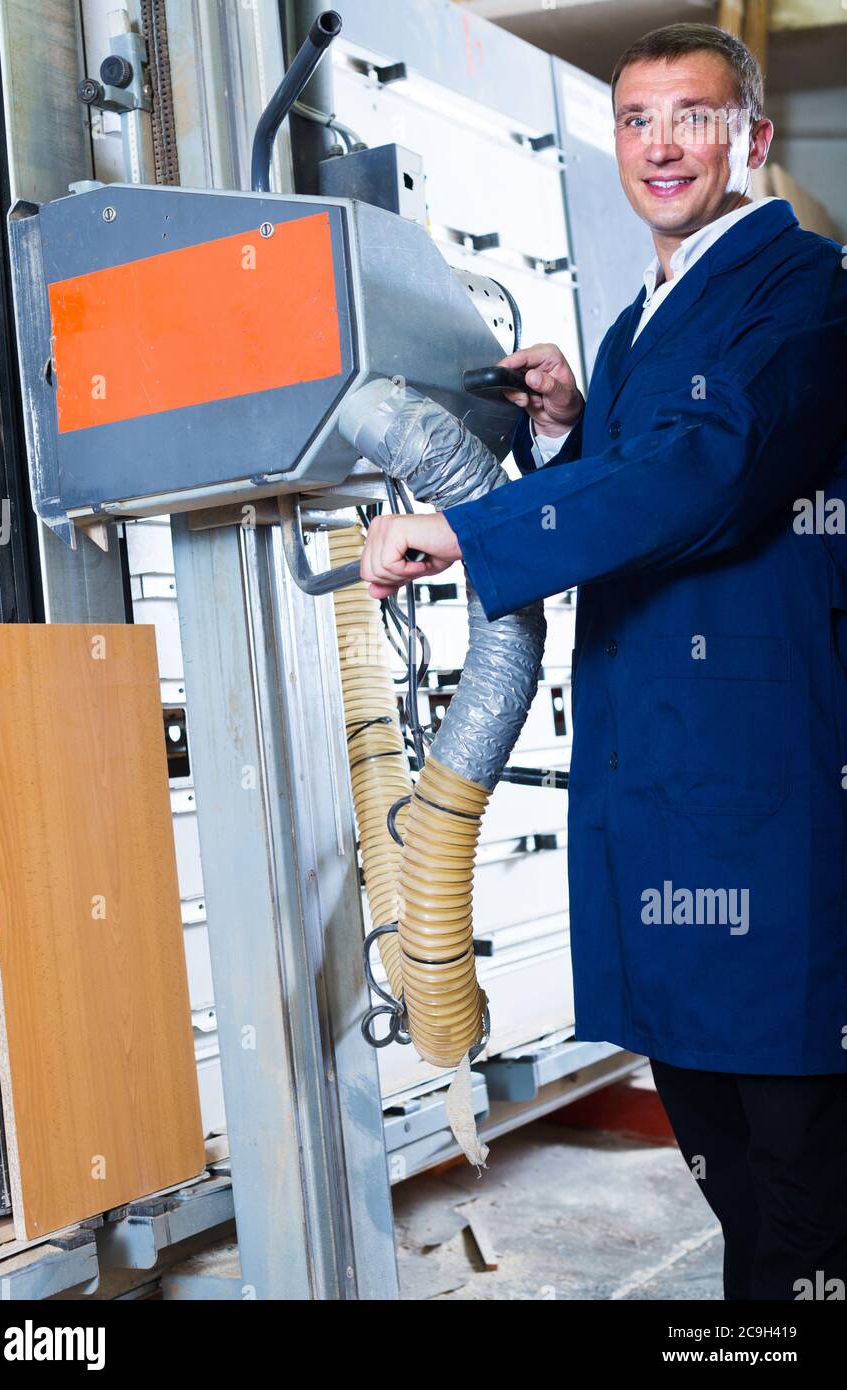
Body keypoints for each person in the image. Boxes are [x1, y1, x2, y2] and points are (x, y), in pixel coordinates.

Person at [359, 23, 847, 1301]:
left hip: (762, 792)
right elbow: (634, 487)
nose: (660, 144)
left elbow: (714, 471)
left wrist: (465, 528)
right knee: (719, 1150)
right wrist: (573, 427)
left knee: (799, 1188)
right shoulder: (639, 319)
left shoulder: (804, 290)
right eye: (636, 120)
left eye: (692, 116)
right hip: (660, 788)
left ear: (751, 138)